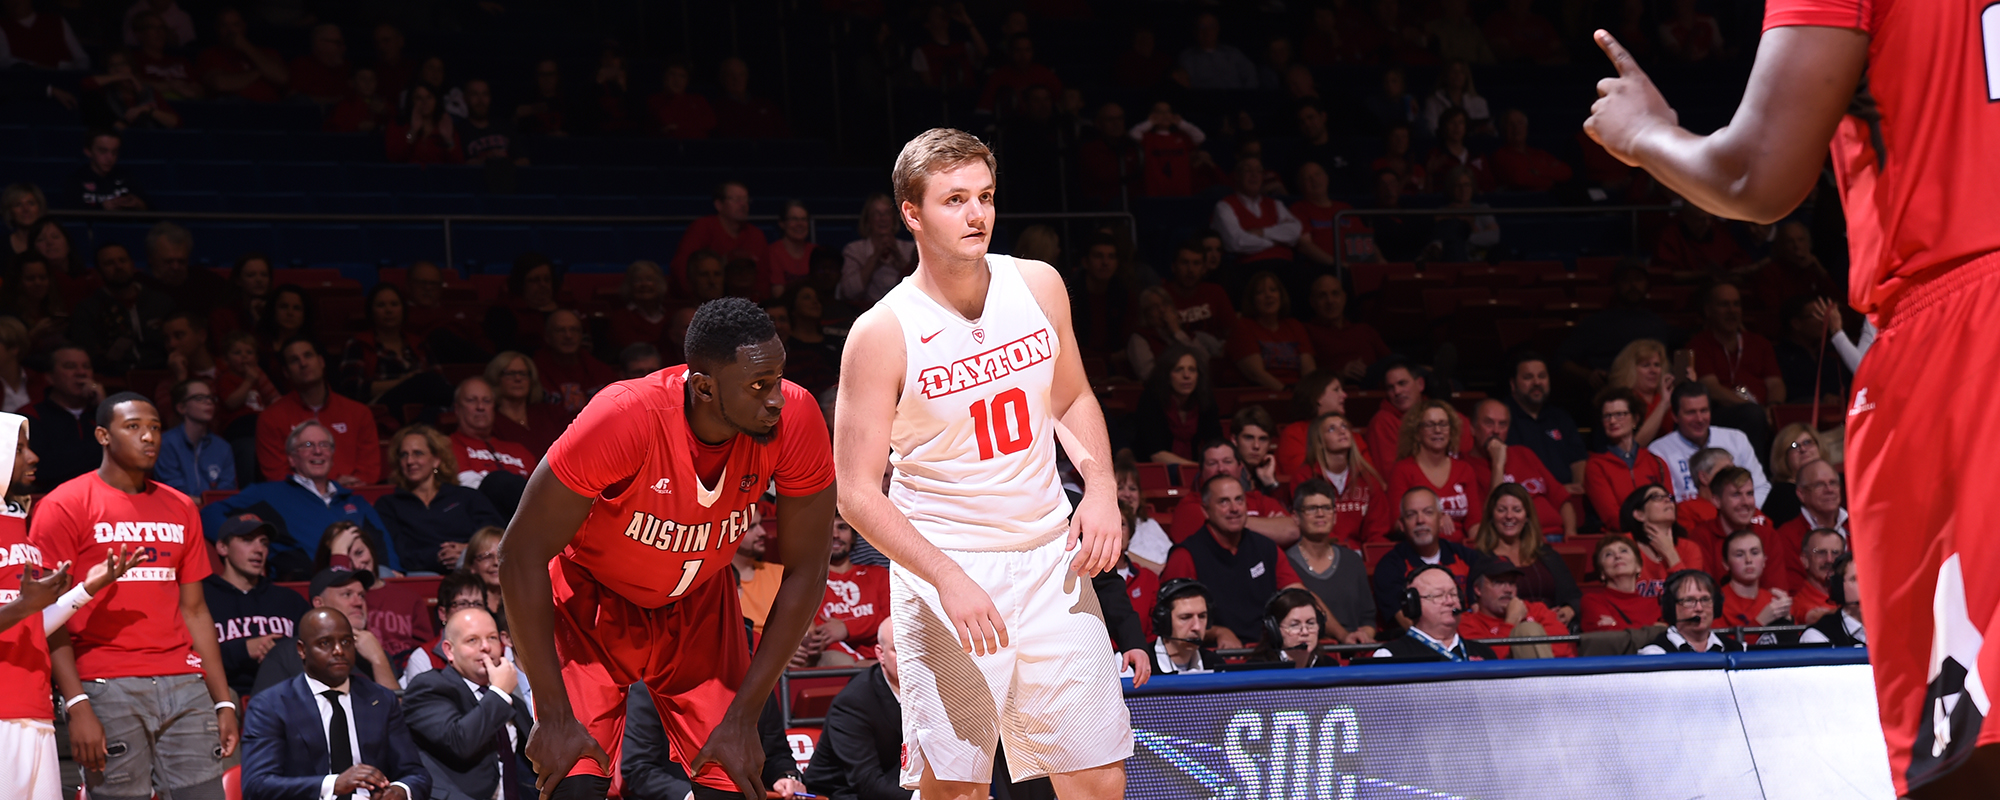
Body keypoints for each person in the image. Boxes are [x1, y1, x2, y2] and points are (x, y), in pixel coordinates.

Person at [833, 129, 1134, 800]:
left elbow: (1074, 394)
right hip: (948, 568)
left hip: (1048, 559)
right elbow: (855, 492)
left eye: (986, 197)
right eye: (955, 200)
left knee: (1098, 777)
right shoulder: (882, 333)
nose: (977, 215)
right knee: (956, 788)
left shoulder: (1039, 284)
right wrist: (944, 576)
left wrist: (1102, 486)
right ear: (911, 213)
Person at [500, 297, 836, 799]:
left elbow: (809, 569)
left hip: (702, 607)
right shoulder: (625, 416)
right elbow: (519, 553)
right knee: (575, 781)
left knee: (734, 779)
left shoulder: (798, 417)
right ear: (703, 386)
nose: (777, 399)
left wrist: (747, 715)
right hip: (592, 604)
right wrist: (549, 712)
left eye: (779, 379)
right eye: (759, 386)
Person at [31, 393, 241, 800]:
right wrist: (76, 703)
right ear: (102, 435)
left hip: (184, 682)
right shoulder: (64, 505)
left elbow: (196, 610)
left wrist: (223, 702)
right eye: (133, 427)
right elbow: (47, 616)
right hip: (105, 682)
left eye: (156, 427)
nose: (148, 437)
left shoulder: (180, 506)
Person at [0, 410, 142, 800]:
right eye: (19, 449)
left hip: (33, 703)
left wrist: (87, 589)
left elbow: (30, 624)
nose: (33, 458)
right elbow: (18, 613)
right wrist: (21, 608)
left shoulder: (18, 523)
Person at [238, 607, 430, 800]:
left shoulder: (380, 699)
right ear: (302, 650)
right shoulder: (270, 705)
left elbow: (416, 774)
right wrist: (333, 785)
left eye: (346, 642)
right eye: (325, 643)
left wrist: (400, 791)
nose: (339, 651)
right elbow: (257, 785)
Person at [403, 605, 537, 800]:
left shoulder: (509, 698)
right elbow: (460, 742)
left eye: (492, 638)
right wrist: (499, 692)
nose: (485, 647)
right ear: (449, 650)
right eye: (472, 640)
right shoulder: (429, 687)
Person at [1160, 472, 1307, 649]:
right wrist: (1218, 632)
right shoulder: (1186, 555)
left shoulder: (1265, 547)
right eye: (1224, 502)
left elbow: (1301, 596)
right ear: (1205, 510)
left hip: (1267, 652)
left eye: (1239, 500)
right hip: (1213, 658)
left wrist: (1343, 635)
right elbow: (1170, 621)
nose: (1234, 508)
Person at [201, 514, 310, 697]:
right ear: (222, 547)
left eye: (264, 543)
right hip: (222, 693)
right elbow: (190, 658)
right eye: (248, 540)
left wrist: (281, 652)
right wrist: (244, 650)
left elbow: (314, 651)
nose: (259, 549)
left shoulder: (289, 600)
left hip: (285, 692)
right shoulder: (202, 598)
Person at [801, 622, 911, 799]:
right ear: (880, 654)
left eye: (915, 648)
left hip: (897, 787)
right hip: (840, 793)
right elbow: (866, 782)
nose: (909, 658)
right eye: (898, 649)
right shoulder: (853, 702)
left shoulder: (932, 691)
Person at [376, 424, 501, 575]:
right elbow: (399, 552)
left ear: (436, 460)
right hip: (422, 572)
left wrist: (467, 550)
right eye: (403, 455)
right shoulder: (388, 505)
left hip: (472, 568)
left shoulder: (467, 496)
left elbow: (495, 534)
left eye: (418, 453)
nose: (409, 461)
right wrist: (440, 556)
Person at [257, 338, 383, 485]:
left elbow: (369, 470)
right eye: (294, 360)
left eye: (308, 356)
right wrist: (327, 488)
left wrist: (341, 490)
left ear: (321, 362)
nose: (303, 363)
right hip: (299, 503)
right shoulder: (271, 417)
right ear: (286, 372)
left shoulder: (359, 413)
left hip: (351, 498)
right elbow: (277, 476)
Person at [252, 567, 401, 691]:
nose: (358, 602)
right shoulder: (287, 654)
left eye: (361, 595)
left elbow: (396, 717)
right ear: (319, 603)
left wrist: (378, 661)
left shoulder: (375, 653)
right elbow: (263, 716)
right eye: (347, 594)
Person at [1369, 487, 1487, 637]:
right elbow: (1409, 626)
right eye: (1411, 515)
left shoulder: (1468, 558)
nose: (1420, 520)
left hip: (1470, 640)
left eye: (1428, 512)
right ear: (1402, 525)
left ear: (1441, 519)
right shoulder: (1389, 567)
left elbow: (1482, 613)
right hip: (1420, 650)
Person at [1468, 483, 1581, 621]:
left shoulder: (1546, 555)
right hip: (1508, 630)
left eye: (1517, 510)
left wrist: (1570, 609)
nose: (1509, 516)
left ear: (1527, 516)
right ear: (1491, 516)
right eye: (1502, 510)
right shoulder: (1480, 559)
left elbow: (1574, 597)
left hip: (1552, 628)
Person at [1689, 281, 1783, 443]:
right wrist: (1756, 409)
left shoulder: (1759, 342)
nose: (1732, 311)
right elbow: (1712, 388)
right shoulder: (1699, 344)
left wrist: (1773, 408)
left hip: (1763, 409)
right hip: (1725, 410)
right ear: (1709, 311)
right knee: (1752, 415)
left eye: (1736, 304)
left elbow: (1775, 383)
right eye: (1724, 305)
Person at [1285, 479, 1376, 644]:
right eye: (1312, 508)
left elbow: (1368, 617)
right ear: (1296, 517)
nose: (1320, 514)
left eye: (1326, 508)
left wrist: (1363, 637)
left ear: (1334, 516)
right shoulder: (1286, 564)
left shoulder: (1352, 561)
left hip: (1352, 653)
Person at [1468, 399, 1576, 538]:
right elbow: (1490, 518)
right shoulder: (1467, 467)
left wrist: (1571, 535)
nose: (1496, 431)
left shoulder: (1523, 453)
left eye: (1503, 424)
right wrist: (1498, 465)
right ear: (1472, 427)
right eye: (1489, 423)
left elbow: (1562, 500)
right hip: (1518, 543)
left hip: (1556, 537)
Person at [1647, 382, 1770, 505]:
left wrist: (1740, 513)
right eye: (1691, 412)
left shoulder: (1736, 439)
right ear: (1674, 416)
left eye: (1704, 411)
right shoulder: (1659, 450)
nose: (1699, 419)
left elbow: (1761, 487)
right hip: (1688, 520)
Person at [793, 512, 889, 666]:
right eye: (828, 528)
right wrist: (861, 662)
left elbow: (891, 621)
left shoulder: (879, 575)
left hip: (887, 658)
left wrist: (846, 628)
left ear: (853, 536)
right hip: (848, 665)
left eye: (842, 527)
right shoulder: (810, 583)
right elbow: (823, 637)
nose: (835, 534)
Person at [68, 242, 171, 375]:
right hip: (114, 378)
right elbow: (87, 354)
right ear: (98, 272)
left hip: (161, 374)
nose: (118, 266)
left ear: (133, 265)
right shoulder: (88, 309)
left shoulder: (160, 302)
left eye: (122, 260)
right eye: (109, 263)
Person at [1167, 441, 1296, 544]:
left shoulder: (1257, 499)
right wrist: (1268, 524)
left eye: (1227, 462)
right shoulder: (1191, 505)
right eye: (1212, 463)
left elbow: (1292, 530)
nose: (1221, 468)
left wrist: (1228, 522)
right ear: (1201, 471)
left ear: (1240, 468)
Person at [1386, 399, 1485, 534]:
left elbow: (1475, 522)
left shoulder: (1464, 469)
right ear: (1417, 433)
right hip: (1421, 547)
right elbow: (1398, 524)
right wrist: (1432, 519)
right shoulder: (1403, 470)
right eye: (1429, 425)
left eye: (1443, 424)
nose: (1437, 430)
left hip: (1460, 550)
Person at [1586, 388, 1674, 529]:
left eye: (1620, 414)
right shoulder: (1596, 466)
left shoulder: (1656, 462)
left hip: (1659, 537)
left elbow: (1668, 507)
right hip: (1621, 541)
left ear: (1635, 419)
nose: (1613, 421)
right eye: (1607, 416)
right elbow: (1612, 517)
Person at [1371, 565, 1499, 661]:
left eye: (1453, 594)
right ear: (1413, 605)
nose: (1450, 601)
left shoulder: (1484, 653)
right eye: (1438, 595)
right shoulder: (1390, 656)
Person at [1458, 560, 1576, 659]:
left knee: (1528, 629)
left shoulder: (1537, 610)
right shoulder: (1467, 624)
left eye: (1512, 582)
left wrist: (1514, 653)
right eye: (1499, 582)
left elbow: (1562, 649)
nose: (1508, 590)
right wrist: (1511, 621)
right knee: (1527, 629)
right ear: (1478, 589)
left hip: (1562, 680)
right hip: (1507, 685)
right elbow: (1489, 662)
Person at [1127, 345, 1222, 466]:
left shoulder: (1204, 399)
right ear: (1166, 375)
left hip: (1193, 467)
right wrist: (1199, 469)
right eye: (1178, 370)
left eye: (1192, 369)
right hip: (1156, 470)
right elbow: (1156, 454)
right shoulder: (1151, 400)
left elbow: (1216, 442)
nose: (1187, 375)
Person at [1688, 465, 1778, 584]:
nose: (1745, 502)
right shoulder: (1701, 537)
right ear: (1716, 501)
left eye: (1750, 493)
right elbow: (1704, 592)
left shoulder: (1767, 535)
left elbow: (1777, 590)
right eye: (1736, 495)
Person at [1366, 361, 1472, 462]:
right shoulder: (1382, 421)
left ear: (1420, 384)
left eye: (1402, 383)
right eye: (1390, 387)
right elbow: (1390, 474)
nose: (1397, 392)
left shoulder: (1448, 415)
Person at [1226, 272, 1315, 390]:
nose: (1268, 295)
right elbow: (1256, 374)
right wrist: (1286, 393)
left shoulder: (1294, 325)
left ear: (1281, 296)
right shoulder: (1243, 326)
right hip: (1262, 393)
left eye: (1273, 290)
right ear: (1252, 300)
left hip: (1298, 392)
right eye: (1260, 292)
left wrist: (1308, 394)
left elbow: (1309, 370)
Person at [672, 181, 767, 291]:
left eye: (746, 199)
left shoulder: (756, 235)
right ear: (719, 205)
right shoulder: (702, 227)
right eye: (736, 199)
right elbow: (682, 268)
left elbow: (763, 276)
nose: (743, 204)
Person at [1212, 157, 1303, 268]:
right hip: (1251, 266)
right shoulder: (1225, 206)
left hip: (1285, 263)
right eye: (1248, 170)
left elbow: (1295, 232)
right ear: (1237, 176)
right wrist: (1275, 242)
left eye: (1258, 171)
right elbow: (1236, 242)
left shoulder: (1275, 204)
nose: (1254, 175)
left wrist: (1261, 232)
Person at [1772, 459, 1846, 594]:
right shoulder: (1786, 536)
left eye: (1833, 483)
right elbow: (1795, 592)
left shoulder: (1857, 527)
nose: (1829, 490)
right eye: (1819, 485)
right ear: (1801, 494)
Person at [1618, 484, 1706, 596]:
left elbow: (1691, 596)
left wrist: (1670, 553)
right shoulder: (1623, 544)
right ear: (1639, 515)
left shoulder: (1690, 548)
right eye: (1656, 497)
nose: (1667, 500)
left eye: (1669, 497)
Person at [838, 194, 918, 309]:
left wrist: (899, 258)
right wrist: (874, 258)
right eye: (876, 214)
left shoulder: (910, 249)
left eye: (887, 213)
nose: (882, 218)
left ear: (894, 218)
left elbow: (920, 290)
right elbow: (850, 292)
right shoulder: (854, 250)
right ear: (868, 220)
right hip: (865, 311)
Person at [1637, 570, 1744, 654]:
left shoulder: (1736, 649)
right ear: (1671, 608)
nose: (1699, 608)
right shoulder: (1655, 653)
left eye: (1705, 599)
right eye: (1689, 600)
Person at [485, 350, 571, 454]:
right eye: (510, 373)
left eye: (523, 374)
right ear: (496, 378)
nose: (518, 378)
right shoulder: (491, 421)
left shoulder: (549, 412)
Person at [195, 8, 287, 102]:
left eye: (235, 25)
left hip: (270, 108)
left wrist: (245, 45)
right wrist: (262, 71)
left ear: (244, 26)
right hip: (234, 108)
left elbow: (281, 77)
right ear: (217, 28)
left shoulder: (267, 52)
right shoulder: (209, 54)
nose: (230, 31)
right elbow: (220, 84)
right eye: (224, 25)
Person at [1717, 529, 1793, 640]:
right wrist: (1760, 622)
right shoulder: (1716, 603)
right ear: (1726, 564)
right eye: (1739, 555)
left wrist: (1788, 619)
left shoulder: (1774, 601)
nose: (1748, 560)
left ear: (1764, 560)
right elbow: (1724, 648)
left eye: (1754, 553)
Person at [537, 310, 617, 414]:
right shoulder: (535, 371)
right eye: (560, 330)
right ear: (547, 336)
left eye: (574, 330)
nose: (568, 336)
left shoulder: (599, 370)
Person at [1580, 534, 1662, 631]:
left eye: (1624, 551)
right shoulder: (1592, 601)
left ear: (1638, 567)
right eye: (1608, 554)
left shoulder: (1656, 603)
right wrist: (1653, 628)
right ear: (1602, 573)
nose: (1618, 556)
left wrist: (1616, 624)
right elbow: (1608, 636)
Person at [1606, 338, 1678, 447]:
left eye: (1657, 365)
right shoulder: (1621, 401)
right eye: (1646, 365)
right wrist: (1663, 405)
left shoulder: (1666, 395)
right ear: (1630, 370)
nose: (1653, 371)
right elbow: (1633, 447)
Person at [1247, 588, 1340, 667]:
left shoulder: (1330, 666)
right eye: (1294, 625)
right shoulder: (1257, 669)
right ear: (1274, 631)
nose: (1305, 632)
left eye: (1311, 623)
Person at [1146, 579, 1221, 675]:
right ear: (1164, 622)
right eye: (1185, 617)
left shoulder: (1214, 664)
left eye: (1202, 616)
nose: (1197, 627)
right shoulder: (1132, 665)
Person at [1763, 423, 1828, 526]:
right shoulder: (1782, 495)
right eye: (1794, 446)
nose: (1803, 449)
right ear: (1784, 457)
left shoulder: (1833, 485)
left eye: (1807, 442)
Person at [1799, 553, 1863, 647]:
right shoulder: (1817, 636)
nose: (1868, 586)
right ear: (1838, 587)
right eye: (1856, 579)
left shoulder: (1891, 628)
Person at [72, 129, 145, 211]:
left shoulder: (127, 176)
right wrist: (102, 207)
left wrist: (139, 204)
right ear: (88, 151)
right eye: (103, 151)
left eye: (114, 152)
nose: (110, 158)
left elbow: (153, 213)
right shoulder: (76, 180)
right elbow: (70, 215)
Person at [1788, 528, 1847, 627]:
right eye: (1821, 552)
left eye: (1835, 553)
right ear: (1805, 560)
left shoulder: (1851, 596)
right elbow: (1818, 618)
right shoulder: (1798, 604)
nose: (1829, 560)